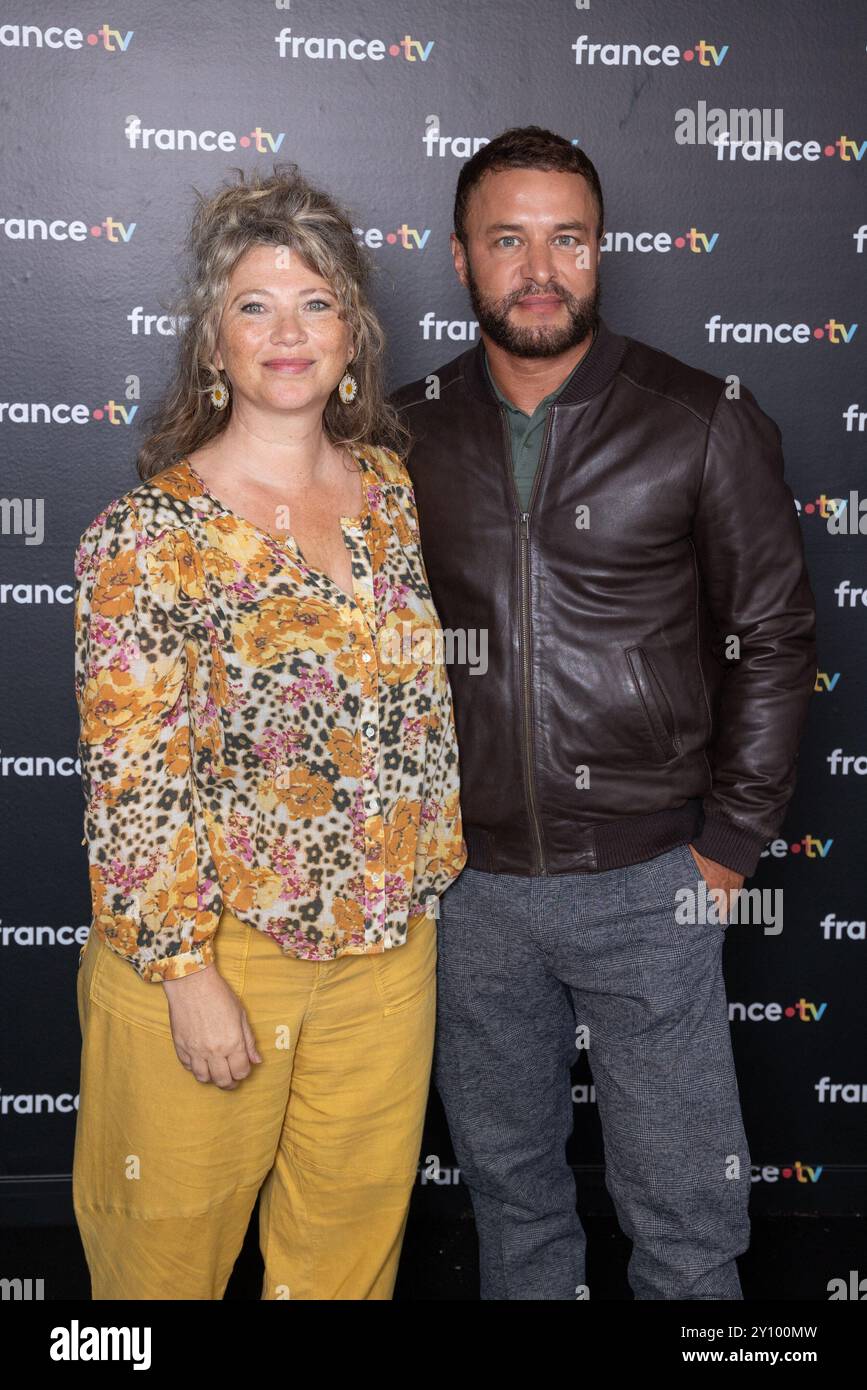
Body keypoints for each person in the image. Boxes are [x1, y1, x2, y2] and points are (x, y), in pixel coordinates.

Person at [388, 125, 817, 1300]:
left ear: (600, 252)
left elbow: (775, 639)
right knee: (512, 1199)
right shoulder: (397, 434)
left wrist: (726, 850)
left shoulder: (700, 417)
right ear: (462, 259)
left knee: (685, 1213)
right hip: (467, 888)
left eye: (566, 238)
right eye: (508, 239)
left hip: (648, 876)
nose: (540, 267)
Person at [72, 161, 466, 1300]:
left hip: (387, 954)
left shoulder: (390, 492)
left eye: (315, 302)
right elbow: (131, 776)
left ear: (353, 335)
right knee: (161, 1270)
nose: (287, 331)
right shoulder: (147, 534)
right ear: (213, 342)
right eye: (254, 304)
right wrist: (188, 977)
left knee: (345, 1268)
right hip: (213, 956)